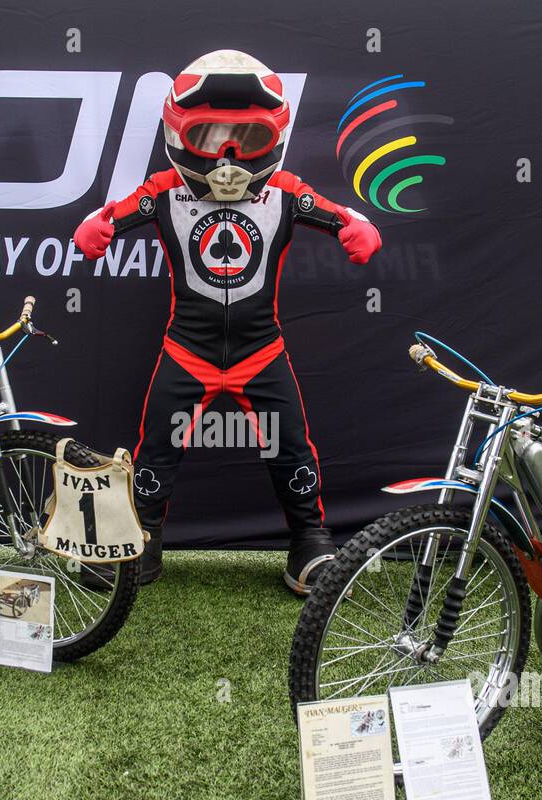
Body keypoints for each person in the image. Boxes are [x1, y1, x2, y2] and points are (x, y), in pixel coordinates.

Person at [73, 49, 381, 596]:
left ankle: (309, 541)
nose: (229, 158)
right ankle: (140, 540)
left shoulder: (285, 193)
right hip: (187, 348)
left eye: (247, 139)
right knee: (157, 450)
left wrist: (355, 228)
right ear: (180, 132)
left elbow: (344, 217)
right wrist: (97, 228)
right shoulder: (164, 191)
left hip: (260, 349)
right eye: (210, 137)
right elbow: (105, 222)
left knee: (290, 447)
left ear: (274, 137)